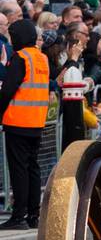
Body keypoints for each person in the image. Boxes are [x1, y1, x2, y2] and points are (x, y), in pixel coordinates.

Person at [0, 19, 50, 229]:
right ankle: (33, 215)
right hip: (37, 121)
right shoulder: (42, 58)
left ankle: (18, 217)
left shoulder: (20, 58)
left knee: (19, 170)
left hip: (18, 121)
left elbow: (8, 90)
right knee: (33, 169)